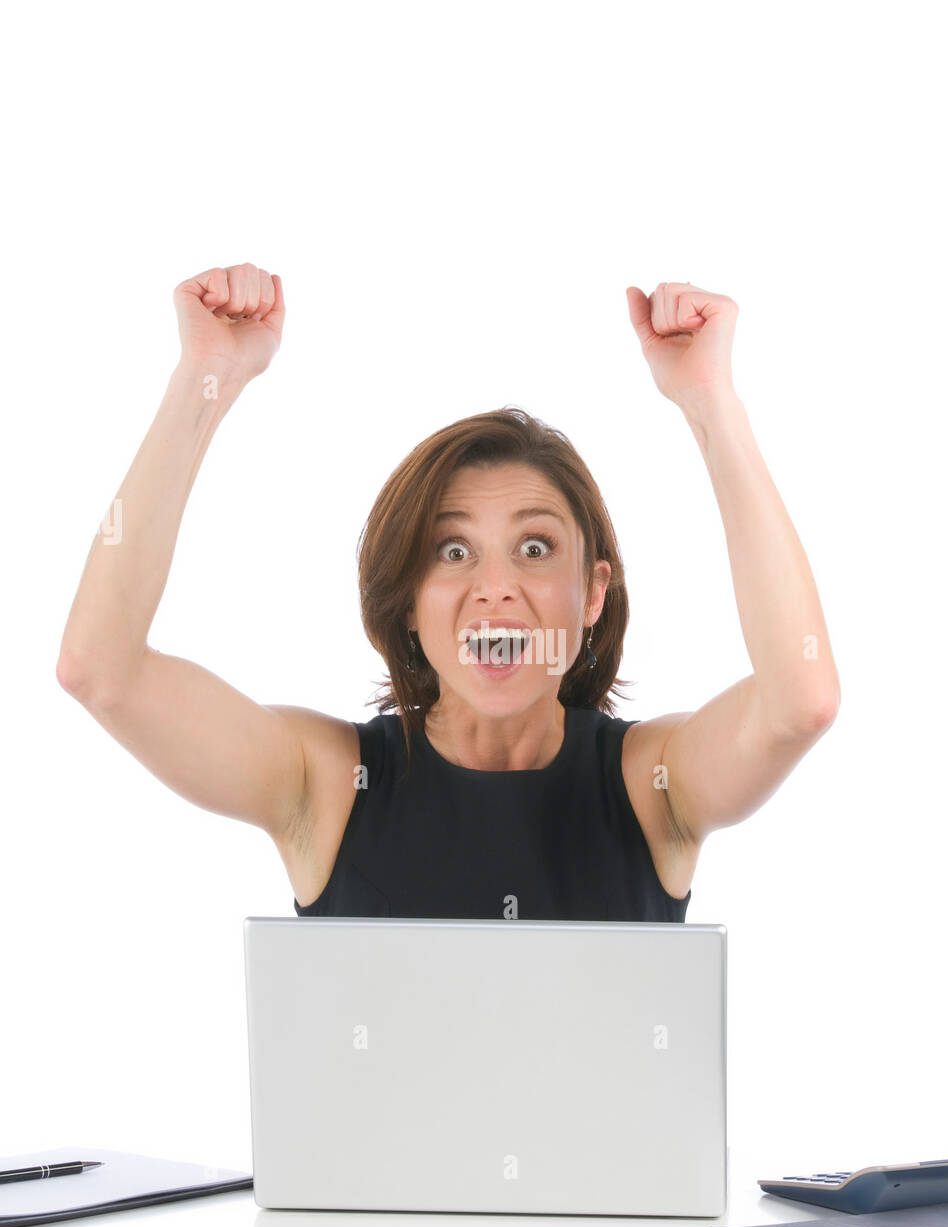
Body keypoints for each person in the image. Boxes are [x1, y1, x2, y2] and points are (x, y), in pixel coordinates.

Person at [57, 264, 840, 923]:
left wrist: (710, 404)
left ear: (592, 592)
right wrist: (205, 379)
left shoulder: (652, 783)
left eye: (535, 548)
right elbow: (102, 670)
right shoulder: (322, 784)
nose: (494, 588)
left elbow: (799, 699)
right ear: (406, 599)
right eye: (452, 550)